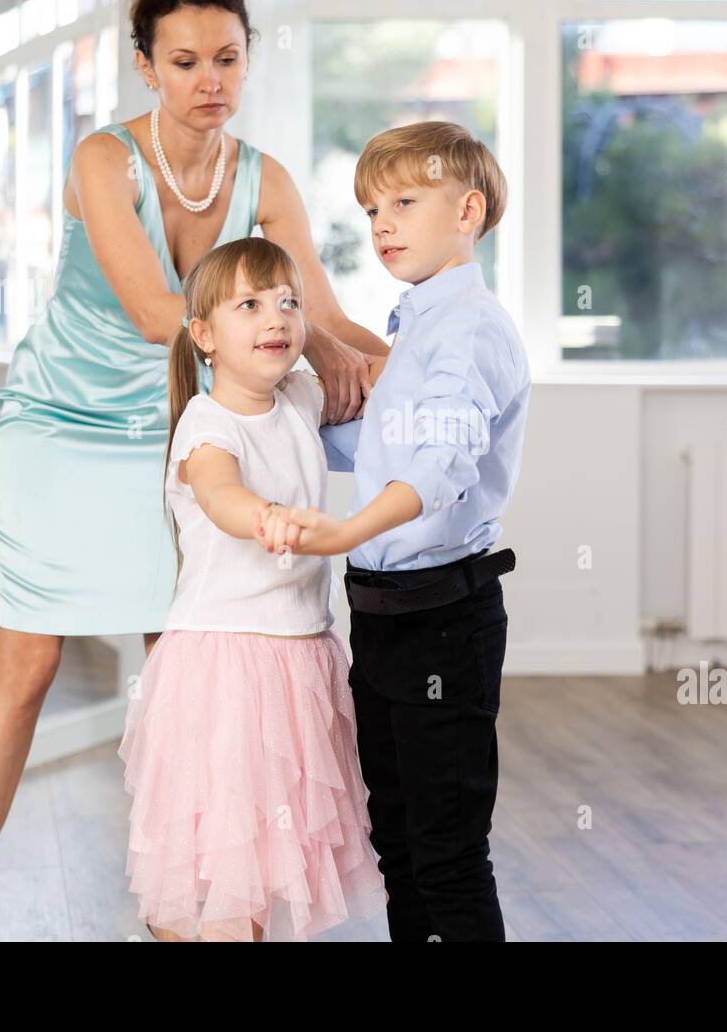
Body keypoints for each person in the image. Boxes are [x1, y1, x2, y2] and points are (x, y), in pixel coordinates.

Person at [0, 0, 387, 942]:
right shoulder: (106, 160)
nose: (208, 79)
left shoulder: (263, 177)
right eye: (184, 60)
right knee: (30, 661)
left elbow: (332, 311)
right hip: (59, 431)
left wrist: (419, 357)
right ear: (146, 65)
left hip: (175, 441)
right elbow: (151, 311)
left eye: (226, 57)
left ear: (247, 59)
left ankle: (185, 907)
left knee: (187, 673)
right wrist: (301, 331)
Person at [264, 121, 531, 941]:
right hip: (380, 618)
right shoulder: (415, 332)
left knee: (447, 854)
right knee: (400, 845)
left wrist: (340, 534)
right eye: (372, 206)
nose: (381, 223)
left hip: (441, 623)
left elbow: (435, 471)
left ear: (468, 210)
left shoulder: (470, 334)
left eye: (404, 202)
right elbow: (374, 447)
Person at [118, 236, 387, 942]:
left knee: (268, 864)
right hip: (227, 668)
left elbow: (384, 379)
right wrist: (266, 518)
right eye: (250, 305)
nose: (277, 317)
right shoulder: (207, 425)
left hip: (300, 657)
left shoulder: (299, 393)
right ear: (204, 336)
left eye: (288, 303)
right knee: (231, 863)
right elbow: (220, 494)